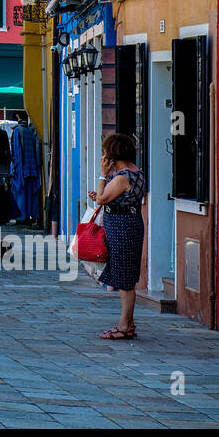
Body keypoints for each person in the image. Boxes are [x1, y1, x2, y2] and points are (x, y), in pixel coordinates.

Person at [89, 133, 147, 340]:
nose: (104, 156)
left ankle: (124, 325)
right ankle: (128, 323)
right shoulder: (136, 172)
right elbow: (113, 198)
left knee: (124, 278)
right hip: (129, 223)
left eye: (106, 152)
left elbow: (102, 199)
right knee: (126, 275)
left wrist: (103, 175)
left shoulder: (122, 176)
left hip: (122, 226)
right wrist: (103, 195)